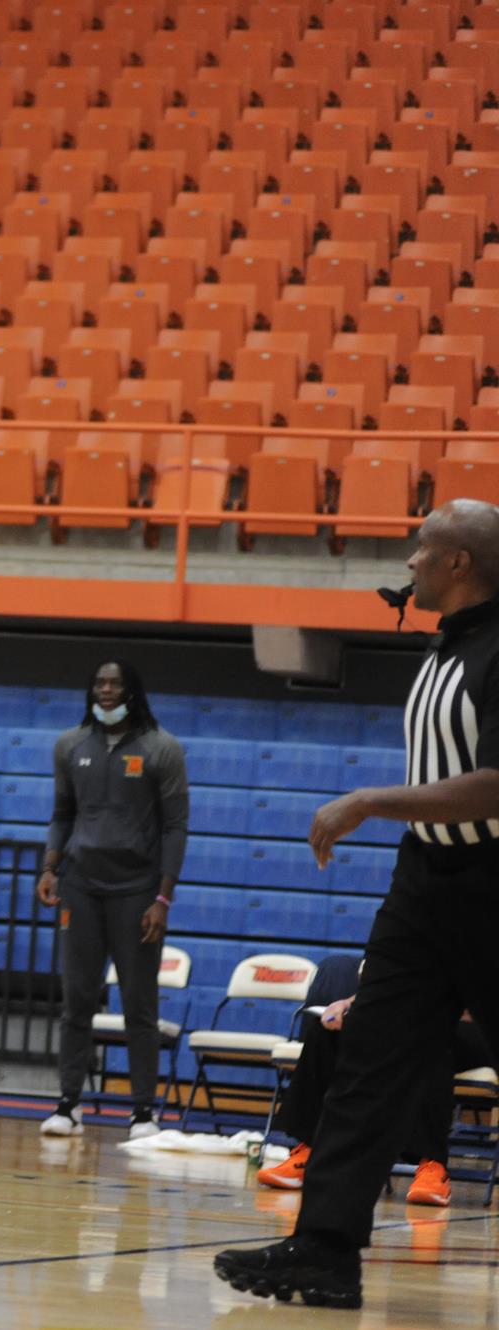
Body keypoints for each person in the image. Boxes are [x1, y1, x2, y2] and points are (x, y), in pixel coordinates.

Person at [216, 500, 499, 1311]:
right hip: (425, 886)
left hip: (494, 885)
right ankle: (326, 1249)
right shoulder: (448, 646)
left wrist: (372, 800)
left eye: (424, 549)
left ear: (460, 564)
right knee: (368, 1064)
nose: (409, 562)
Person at [37, 659, 188, 1140]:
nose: (105, 690)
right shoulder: (69, 745)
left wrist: (162, 899)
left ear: (131, 691)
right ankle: (68, 1105)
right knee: (76, 999)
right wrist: (49, 867)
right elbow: (62, 812)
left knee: (138, 1004)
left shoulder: (161, 748)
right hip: (80, 886)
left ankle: (142, 1111)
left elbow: (175, 827)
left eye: (114, 683)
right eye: (98, 682)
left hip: (136, 890)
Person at [256, 955, 485, 1209]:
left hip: (477, 1027)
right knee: (330, 1030)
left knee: (430, 1036)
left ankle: (433, 1166)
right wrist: (351, 1003)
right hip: (414, 1017)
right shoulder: (424, 929)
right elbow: (394, 978)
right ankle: (307, 1151)